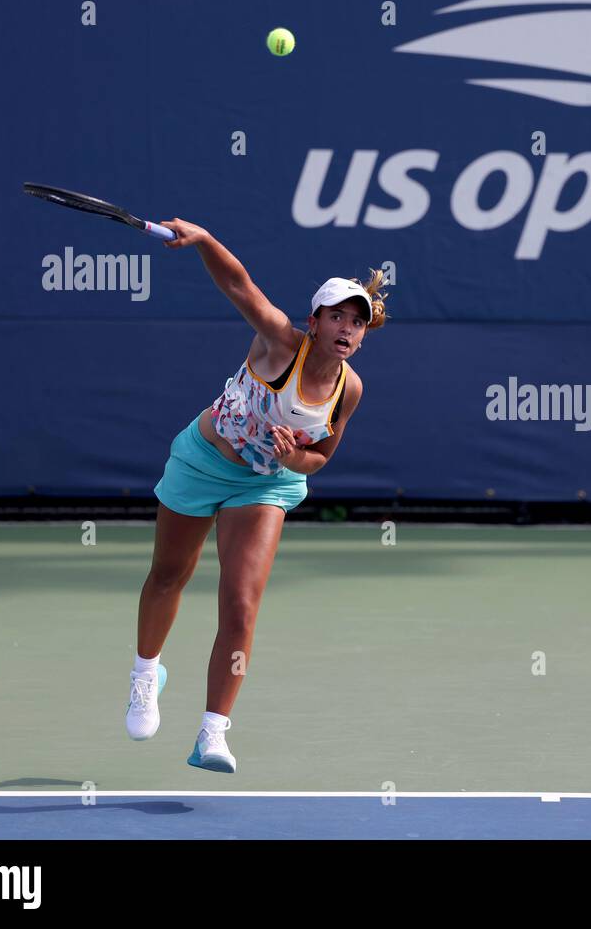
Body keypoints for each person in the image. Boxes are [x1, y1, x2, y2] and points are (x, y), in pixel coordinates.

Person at [124, 217, 387, 772]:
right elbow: (239, 283)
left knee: (241, 605)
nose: (346, 328)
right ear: (314, 321)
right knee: (169, 574)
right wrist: (203, 241)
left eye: (356, 321)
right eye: (336, 316)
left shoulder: (350, 388)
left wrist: (292, 456)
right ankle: (146, 673)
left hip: (266, 483)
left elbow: (319, 458)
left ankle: (212, 732)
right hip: (202, 461)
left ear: (364, 334)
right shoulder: (278, 340)